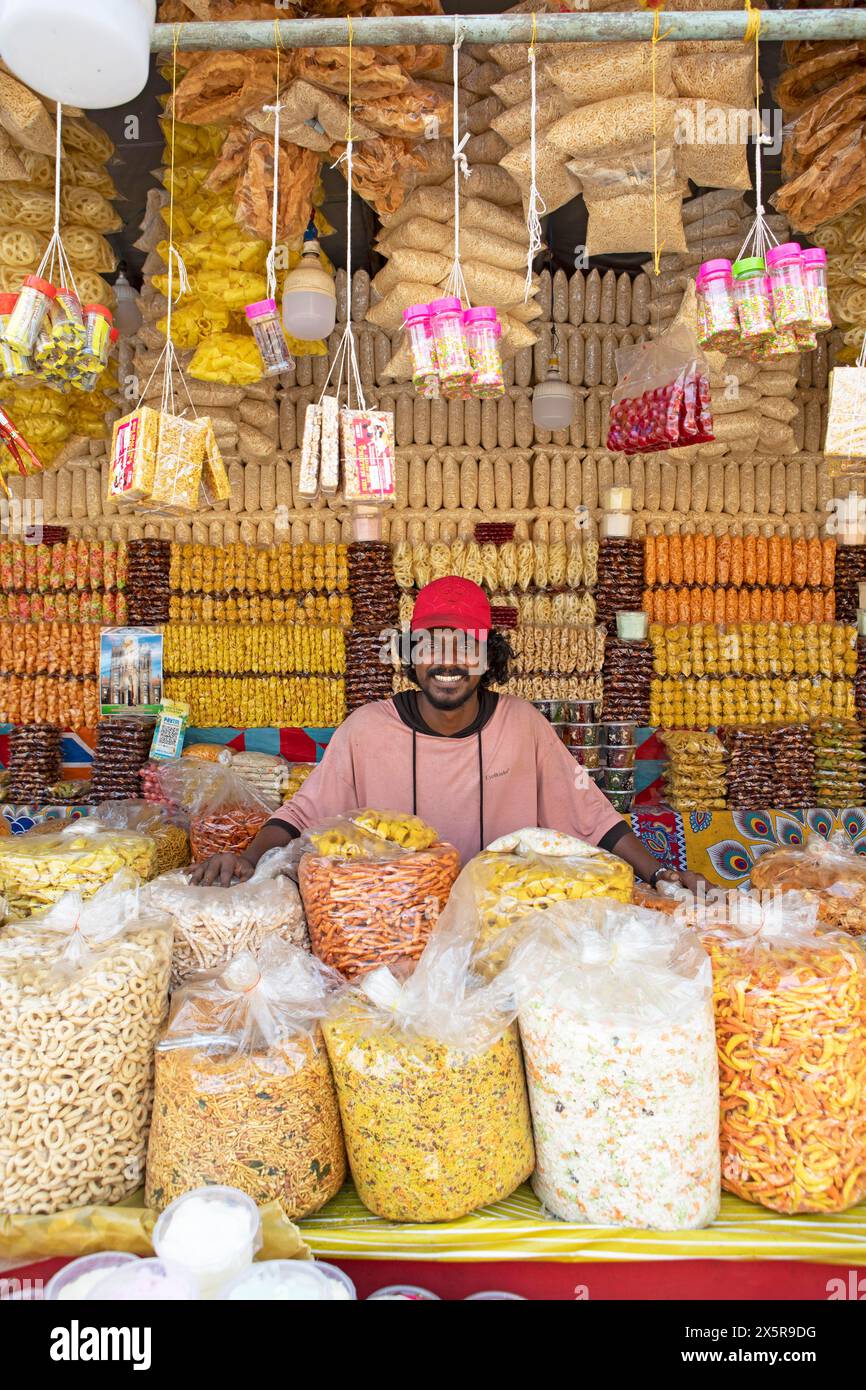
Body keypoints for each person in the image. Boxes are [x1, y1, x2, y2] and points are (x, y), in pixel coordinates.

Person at [190, 576, 706, 891]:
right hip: (391, 921)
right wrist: (249, 857)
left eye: (465, 645)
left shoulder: (523, 725)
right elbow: (301, 814)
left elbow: (593, 818)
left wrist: (659, 873)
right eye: (431, 644)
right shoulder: (366, 731)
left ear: (488, 658)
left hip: (501, 919)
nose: (448, 661)